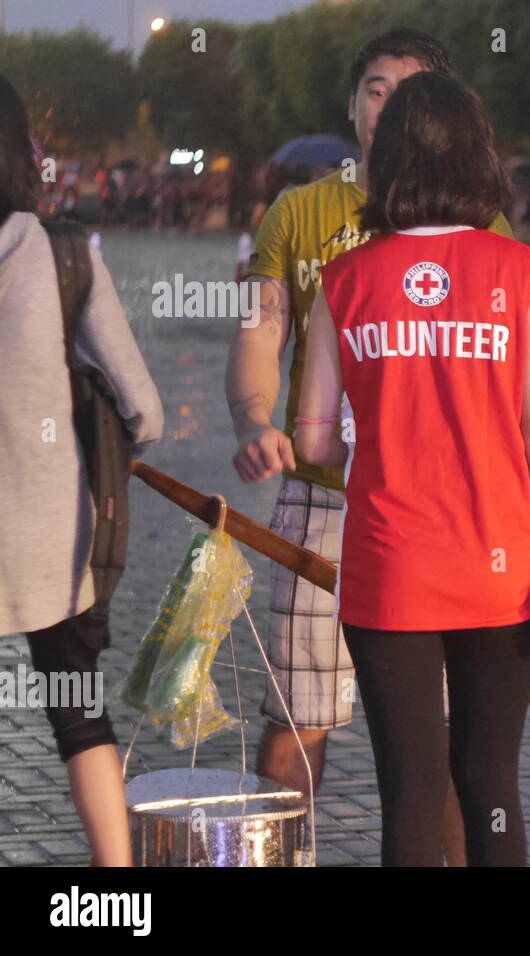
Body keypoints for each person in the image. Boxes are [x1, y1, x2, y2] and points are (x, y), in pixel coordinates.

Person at [224, 28, 515, 865]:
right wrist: (254, 421)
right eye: (376, 89)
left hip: (446, 516)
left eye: (412, 91)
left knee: (448, 751)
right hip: (324, 501)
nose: (391, 107)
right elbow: (260, 333)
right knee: (296, 719)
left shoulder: (483, 224)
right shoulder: (299, 212)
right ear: (353, 105)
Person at [294, 69, 530, 867]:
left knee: (412, 794)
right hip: (497, 570)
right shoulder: (519, 271)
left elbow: (313, 442)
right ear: (476, 159)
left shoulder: (344, 281)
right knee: (492, 782)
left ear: (387, 161)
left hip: (389, 568)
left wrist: (375, 427)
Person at [0, 74, 164, 866]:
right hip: (51, 542)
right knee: (77, 714)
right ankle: (114, 892)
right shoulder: (66, 253)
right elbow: (146, 410)